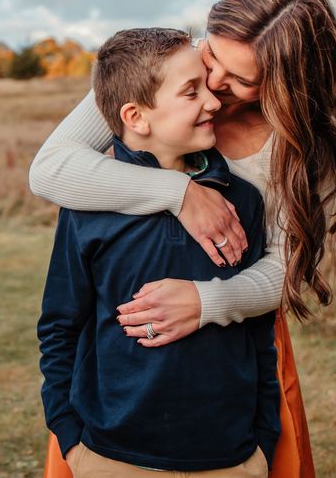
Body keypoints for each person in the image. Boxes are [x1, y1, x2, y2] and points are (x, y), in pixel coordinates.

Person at [32, 0, 336, 478]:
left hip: (228, 363)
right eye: (212, 56)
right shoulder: (167, 69)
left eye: (239, 80)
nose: (214, 86)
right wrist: (179, 193)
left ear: (286, 85)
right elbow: (51, 168)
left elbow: (284, 270)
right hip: (118, 397)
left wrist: (206, 302)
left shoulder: (305, 148)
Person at [39, 27, 279, 477]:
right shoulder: (88, 207)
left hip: (231, 456)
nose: (213, 102)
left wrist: (263, 441)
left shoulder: (243, 202)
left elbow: (259, 334)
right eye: (193, 91)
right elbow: (60, 326)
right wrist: (69, 436)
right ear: (136, 116)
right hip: (110, 456)